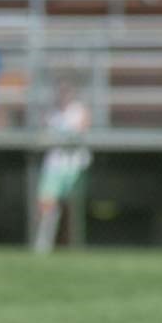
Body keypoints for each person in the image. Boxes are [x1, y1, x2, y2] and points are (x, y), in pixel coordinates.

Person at [33, 82, 92, 254]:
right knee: (46, 204)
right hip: (55, 165)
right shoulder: (53, 114)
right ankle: (43, 244)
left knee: (73, 208)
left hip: (74, 165)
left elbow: (81, 131)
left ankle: (74, 245)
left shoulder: (79, 112)